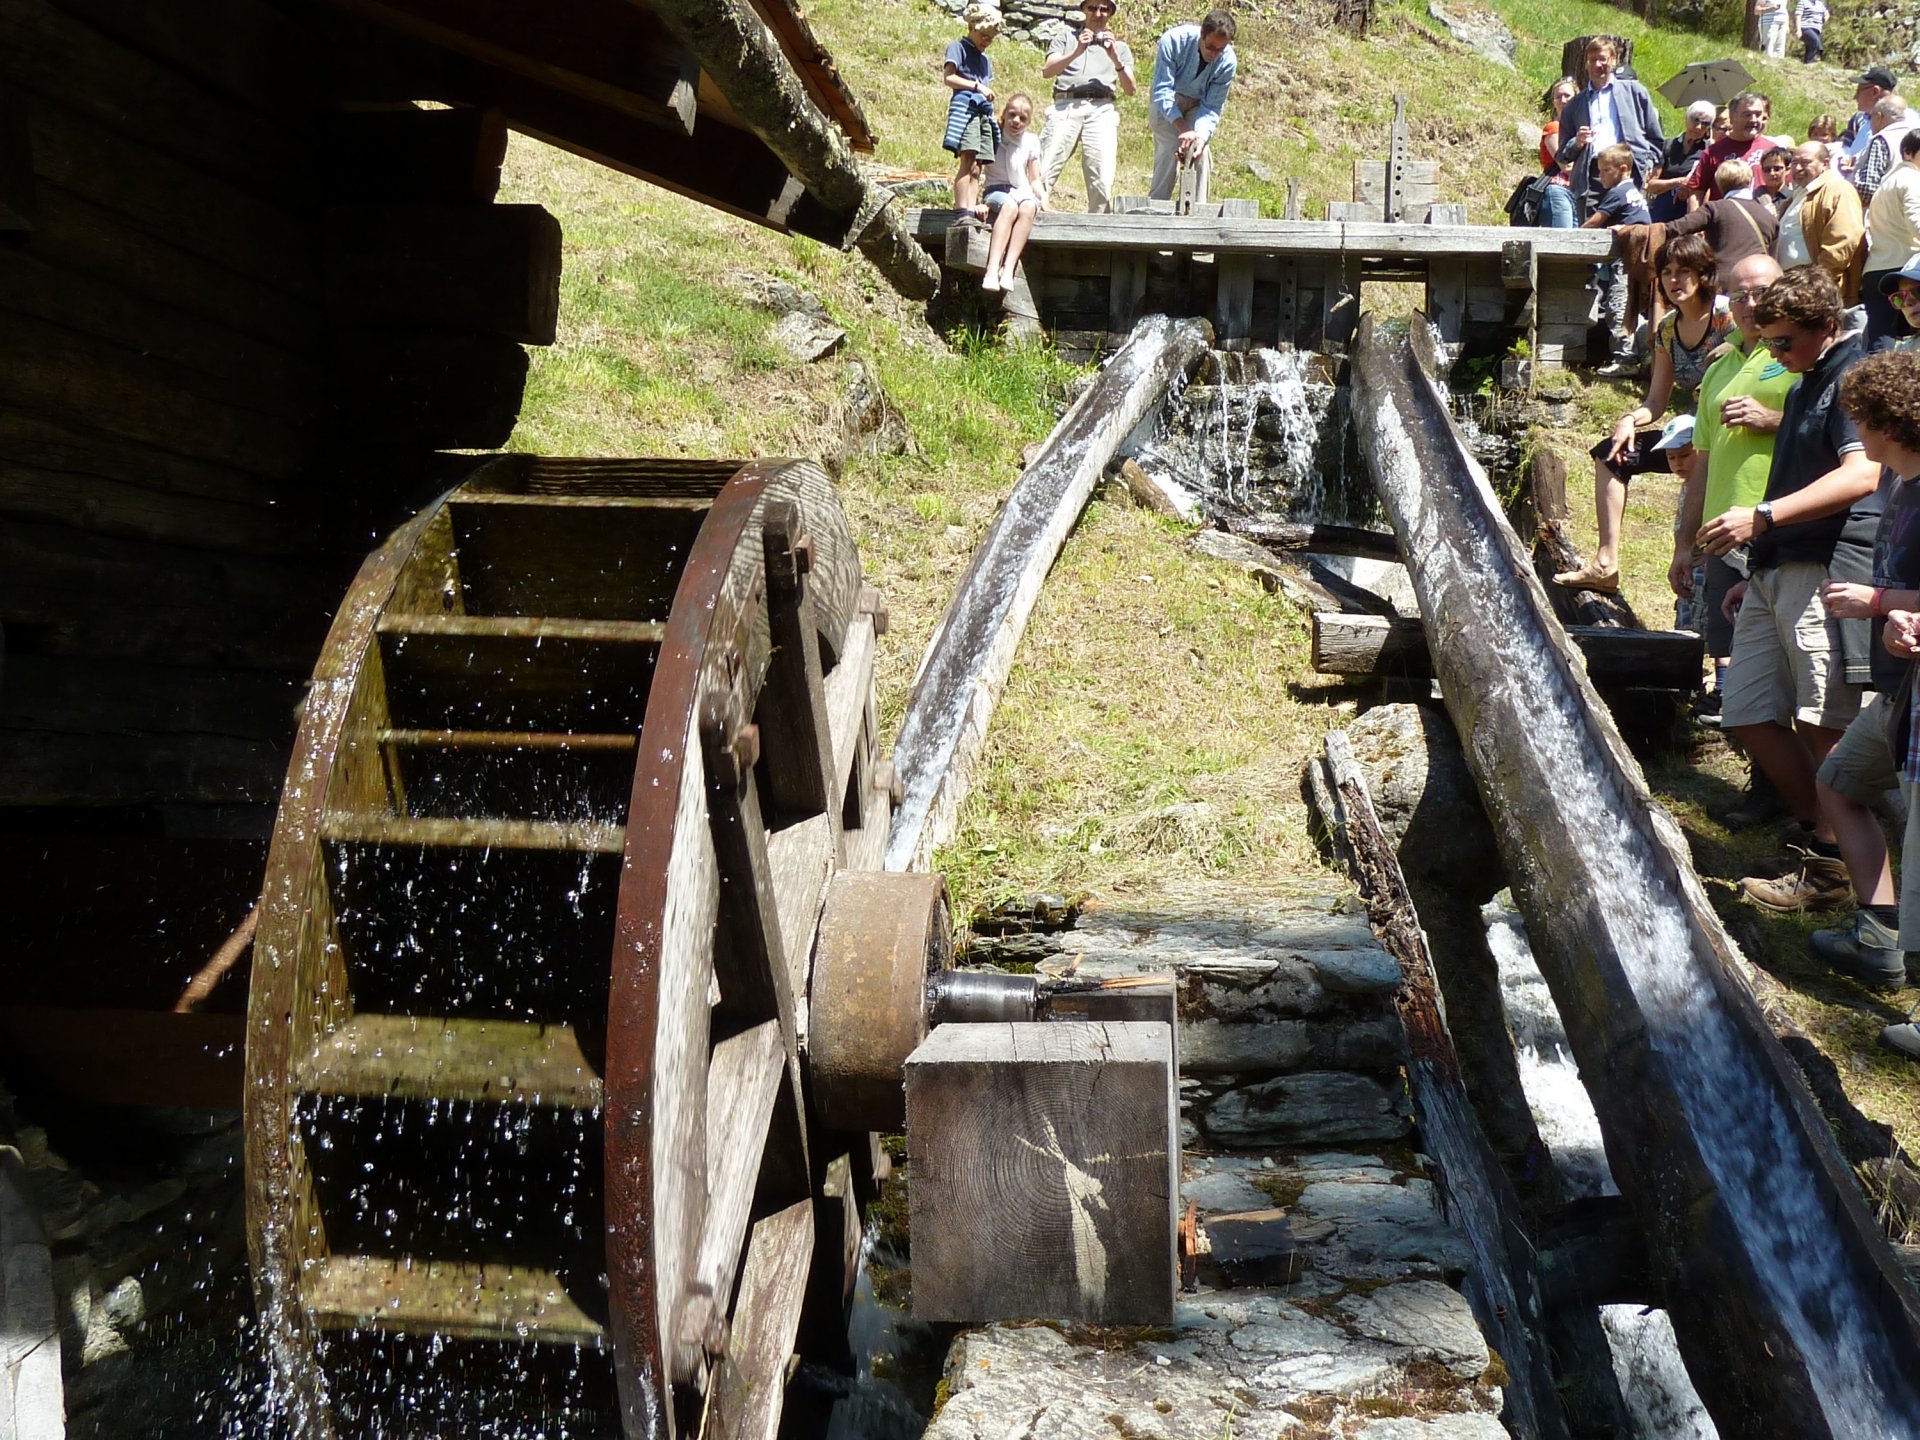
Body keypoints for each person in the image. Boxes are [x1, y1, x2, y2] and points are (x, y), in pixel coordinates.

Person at [1697, 267, 1880, 912]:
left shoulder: (1853, 377)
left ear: (1825, 328)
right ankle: (1820, 838)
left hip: (1826, 568)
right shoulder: (1803, 382)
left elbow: (1862, 476)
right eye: (1768, 342)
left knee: (1823, 719)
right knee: (1745, 711)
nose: (1774, 355)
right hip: (1775, 569)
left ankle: (1837, 869)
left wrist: (1764, 521)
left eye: (1784, 342)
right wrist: (1758, 568)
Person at [1795, 350, 1920, 988]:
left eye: (1860, 418)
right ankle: (1879, 936)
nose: (1854, 430)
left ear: (1886, 424)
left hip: (1914, 694)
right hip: (1897, 688)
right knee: (1839, 781)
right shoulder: (1897, 483)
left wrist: (1875, 603)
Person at [1557, 235, 1730, 592]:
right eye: (1666, 272)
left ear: (1703, 274)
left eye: (1683, 272)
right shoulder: (1667, 328)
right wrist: (1628, 420)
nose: (1673, 281)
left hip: (1727, 432)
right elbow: (1656, 401)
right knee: (1611, 454)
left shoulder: (1728, 316)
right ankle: (1606, 563)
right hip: (1694, 433)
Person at [1674, 253, 1793, 721]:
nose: (1749, 303)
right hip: (1722, 531)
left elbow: (1832, 431)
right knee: (1736, 657)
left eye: (1760, 291)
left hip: (1775, 524)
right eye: (1739, 294)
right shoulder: (1719, 368)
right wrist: (1685, 542)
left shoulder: (1794, 355)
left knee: (1776, 664)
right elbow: (1702, 462)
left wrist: (1772, 420)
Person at [1035, 0, 1135, 214]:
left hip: (1102, 106)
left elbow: (1130, 88)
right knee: (1046, 163)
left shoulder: (1121, 48)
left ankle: (1097, 227)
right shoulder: (1066, 38)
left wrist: (1115, 58)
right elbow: (1047, 71)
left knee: (1101, 174)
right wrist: (1078, 50)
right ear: (1083, 10)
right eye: (1092, 8)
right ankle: (1034, 213)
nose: (1098, 14)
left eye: (1104, 9)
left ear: (1110, 14)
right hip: (1066, 103)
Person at [1555, 36, 1665, 222]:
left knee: (1630, 232)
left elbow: (1655, 138)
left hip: (1628, 174)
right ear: (1586, 64)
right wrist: (1578, 142)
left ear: (1614, 60)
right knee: (1592, 234)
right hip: (1592, 176)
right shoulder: (1575, 105)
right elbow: (1562, 155)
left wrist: (1646, 163)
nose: (1598, 64)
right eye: (1592, 60)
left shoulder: (1635, 92)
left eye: (1603, 58)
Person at [1147, 10, 1237, 203]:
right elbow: (1162, 90)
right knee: (1170, 151)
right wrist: (1182, 127)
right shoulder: (1173, 40)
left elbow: (1212, 106)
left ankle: (1198, 213)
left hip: (1198, 104)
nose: (1213, 54)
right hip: (1169, 101)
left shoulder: (1228, 61)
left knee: (1200, 153)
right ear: (1201, 35)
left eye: (1220, 50)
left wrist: (1201, 137)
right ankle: (1156, 210)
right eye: (1210, 47)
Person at [1776, 141, 1866, 302]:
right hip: (1794, 286)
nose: (1797, 168)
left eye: (1805, 162)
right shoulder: (1800, 194)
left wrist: (1818, 281)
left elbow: (1843, 240)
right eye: (1794, 162)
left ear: (1825, 163)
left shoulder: (1838, 189)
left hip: (1817, 291)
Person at [978, 94, 1048, 293]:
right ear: (1004, 114)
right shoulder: (993, 134)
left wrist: (1043, 199)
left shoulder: (1031, 141)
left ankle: (1008, 268)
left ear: (1029, 122)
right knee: (1009, 207)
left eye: (1022, 118)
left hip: (1021, 190)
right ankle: (992, 269)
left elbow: (1034, 178)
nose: (1016, 121)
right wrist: (978, 202)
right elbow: (976, 170)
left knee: (1027, 207)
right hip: (996, 190)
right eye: (1012, 115)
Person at [943, 3, 1002, 212]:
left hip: (982, 112)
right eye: (984, 36)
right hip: (966, 109)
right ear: (971, 28)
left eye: (991, 38)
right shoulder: (957, 48)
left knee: (978, 165)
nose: (987, 42)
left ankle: (972, 206)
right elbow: (949, 78)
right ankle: (962, 209)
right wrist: (977, 87)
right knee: (967, 160)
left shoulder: (985, 60)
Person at [1863, 129, 1920, 347]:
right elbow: (1917, 222)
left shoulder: (1886, 183)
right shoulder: (1913, 179)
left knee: (1880, 344)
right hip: (1905, 270)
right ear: (1907, 152)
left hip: (1876, 269)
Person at [1667, 159, 1780, 268]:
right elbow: (1775, 258)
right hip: (1762, 280)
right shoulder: (1768, 215)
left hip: (1726, 281)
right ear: (1749, 182)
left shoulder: (1714, 209)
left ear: (1719, 183)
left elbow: (1677, 228)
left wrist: (1652, 231)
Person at [1683, 92, 1776, 207]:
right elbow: (1696, 194)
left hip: (1761, 221)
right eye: (1747, 115)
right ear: (1732, 118)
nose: (1754, 120)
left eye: (1758, 114)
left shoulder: (1772, 150)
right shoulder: (1713, 152)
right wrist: (1695, 223)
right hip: (1725, 221)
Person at [1647, 101, 1716, 224]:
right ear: (1686, 118)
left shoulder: (1709, 150)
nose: (1699, 127)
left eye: (1705, 124)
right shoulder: (1668, 145)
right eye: (1696, 120)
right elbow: (1651, 185)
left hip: (1689, 213)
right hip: (1662, 211)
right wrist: (1679, 182)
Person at [1853, 95, 1917, 203]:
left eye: (1871, 118)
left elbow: (1867, 188)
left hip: (1884, 214)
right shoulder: (1916, 135)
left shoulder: (1882, 139)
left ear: (1879, 117)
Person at [1840, 67, 1899, 181]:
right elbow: (1846, 150)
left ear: (1874, 92)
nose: (1855, 97)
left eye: (1859, 91)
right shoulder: (1858, 120)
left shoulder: (1910, 122)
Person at [1538, 77, 1581, 229]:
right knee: (1563, 242)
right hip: (1559, 190)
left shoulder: (1579, 130)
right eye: (1558, 96)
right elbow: (1566, 166)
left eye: (1567, 96)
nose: (1563, 100)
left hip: (1577, 193)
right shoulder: (1554, 128)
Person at [1580, 143, 1650, 229]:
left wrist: (1576, 235)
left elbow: (1594, 223)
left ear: (1623, 169)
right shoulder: (1632, 189)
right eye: (1600, 170)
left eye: (1606, 170)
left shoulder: (1617, 192)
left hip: (1630, 237)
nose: (1600, 175)